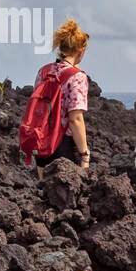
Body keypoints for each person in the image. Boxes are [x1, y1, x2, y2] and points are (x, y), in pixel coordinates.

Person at [33, 19, 92, 176]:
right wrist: (84, 154)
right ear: (81, 51)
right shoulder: (77, 77)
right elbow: (75, 119)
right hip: (63, 146)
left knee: (42, 194)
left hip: (41, 142)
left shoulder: (44, 72)